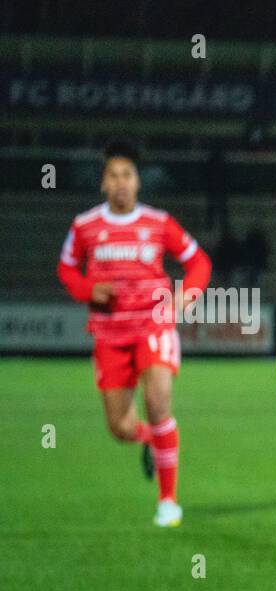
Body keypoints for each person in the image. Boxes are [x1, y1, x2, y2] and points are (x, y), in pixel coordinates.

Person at [57, 138, 211, 528]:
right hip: (109, 335)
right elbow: (66, 269)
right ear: (103, 184)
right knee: (119, 427)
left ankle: (168, 501)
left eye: (128, 174)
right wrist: (89, 290)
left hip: (153, 324)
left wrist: (185, 296)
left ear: (138, 182)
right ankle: (147, 439)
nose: (121, 182)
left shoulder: (158, 223)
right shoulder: (86, 226)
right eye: (113, 175)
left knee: (159, 403)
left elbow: (198, 262)